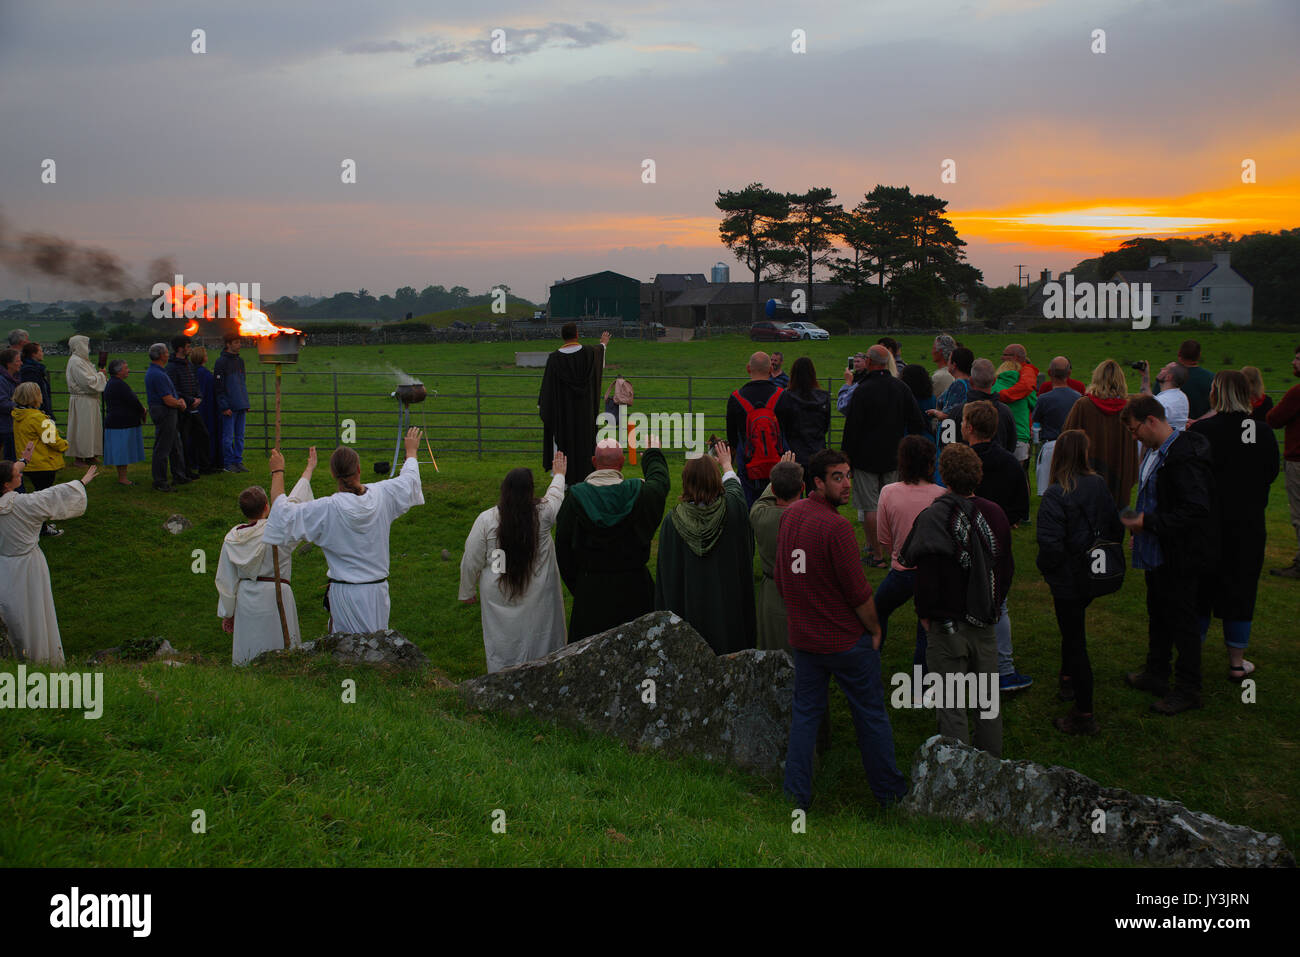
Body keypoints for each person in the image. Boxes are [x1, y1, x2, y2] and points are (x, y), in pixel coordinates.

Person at [775, 449, 908, 811]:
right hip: (845, 642)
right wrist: (875, 629)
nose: (847, 483)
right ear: (817, 482)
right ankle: (889, 793)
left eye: (848, 474)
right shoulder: (837, 528)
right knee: (870, 714)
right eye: (837, 477)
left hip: (805, 638)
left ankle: (796, 794)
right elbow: (859, 592)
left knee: (805, 715)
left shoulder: (791, 517)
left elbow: (784, 575)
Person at [899, 443, 1013, 757]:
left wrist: (925, 614)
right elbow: (1006, 568)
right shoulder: (996, 514)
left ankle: (959, 774)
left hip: (946, 621)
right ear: (978, 475)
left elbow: (927, 573)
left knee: (950, 704)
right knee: (987, 703)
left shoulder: (935, 515)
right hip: (985, 620)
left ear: (944, 476)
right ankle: (991, 765)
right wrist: (995, 602)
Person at [263, 428, 426, 634]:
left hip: (347, 593)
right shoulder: (382, 494)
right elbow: (409, 481)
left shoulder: (327, 508)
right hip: (377, 592)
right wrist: (411, 453)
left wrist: (277, 472)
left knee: (350, 655)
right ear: (359, 469)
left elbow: (283, 515)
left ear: (333, 474)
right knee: (376, 651)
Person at [1120, 395, 1214, 715]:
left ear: (1151, 421)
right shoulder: (1157, 452)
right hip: (1158, 549)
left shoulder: (1183, 457)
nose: (1134, 437)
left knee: (1183, 620)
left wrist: (1149, 523)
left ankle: (1188, 689)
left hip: (1181, 553)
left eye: (1135, 430)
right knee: (1158, 611)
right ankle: (1156, 672)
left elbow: (1195, 510)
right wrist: (1142, 531)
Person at [1190, 372, 1279, 681]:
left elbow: (1193, 477)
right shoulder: (1261, 432)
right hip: (1247, 524)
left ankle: (1193, 656)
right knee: (1241, 589)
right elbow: (1269, 473)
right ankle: (1237, 663)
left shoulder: (1203, 430)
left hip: (1208, 523)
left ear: (1215, 393)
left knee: (1202, 589)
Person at [1036, 430, 1123, 734]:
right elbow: (1114, 526)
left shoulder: (1056, 494)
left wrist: (1048, 570)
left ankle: (1084, 714)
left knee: (1075, 640)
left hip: (1068, 578)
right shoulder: (1097, 484)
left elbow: (1050, 546)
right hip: (1090, 573)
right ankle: (1068, 679)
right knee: (1071, 628)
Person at [459, 454, 568, 673]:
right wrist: (558, 475)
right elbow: (555, 496)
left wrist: (467, 590)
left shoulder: (486, 519)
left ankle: (502, 677)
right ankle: (542, 675)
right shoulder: (543, 513)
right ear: (530, 491)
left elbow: (471, 558)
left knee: (503, 641)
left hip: (499, 593)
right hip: (538, 593)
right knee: (540, 636)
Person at [555, 436, 670, 642]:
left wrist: (581, 586)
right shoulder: (641, 493)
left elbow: (563, 552)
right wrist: (653, 454)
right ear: (622, 462)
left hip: (591, 592)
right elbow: (660, 483)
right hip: (635, 590)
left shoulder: (574, 498)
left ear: (593, 462)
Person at [216, 449, 317, 665]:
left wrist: (228, 612)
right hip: (275, 593)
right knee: (280, 652)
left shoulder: (232, 538)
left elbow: (226, 580)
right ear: (267, 507)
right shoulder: (277, 529)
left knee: (249, 654)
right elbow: (295, 503)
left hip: (246, 598)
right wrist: (308, 469)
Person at [655, 442, 756, 654]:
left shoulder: (671, 522)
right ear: (716, 478)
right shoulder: (733, 510)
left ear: (685, 481)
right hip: (728, 616)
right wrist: (727, 464)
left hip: (686, 615)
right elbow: (735, 491)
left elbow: (666, 577)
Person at [0, 452, 96, 667]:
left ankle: (13, 657)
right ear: (7, 484)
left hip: (3, 566)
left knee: (10, 610)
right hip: (28, 566)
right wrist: (81, 483)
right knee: (34, 611)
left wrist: (23, 462)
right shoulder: (25, 504)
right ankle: (42, 659)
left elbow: (12, 471)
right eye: (17, 474)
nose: (21, 476)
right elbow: (54, 495)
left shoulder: (14, 499)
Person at [962, 400, 1031, 693]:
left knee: (963, 601)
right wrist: (1007, 521)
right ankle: (1003, 668)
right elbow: (1021, 505)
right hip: (998, 541)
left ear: (970, 428)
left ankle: (964, 666)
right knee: (998, 603)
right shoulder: (1010, 463)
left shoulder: (960, 461)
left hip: (963, 539)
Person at [842, 345, 927, 567]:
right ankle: (897, 551)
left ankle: (877, 554)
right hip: (894, 455)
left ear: (869, 362)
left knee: (870, 506)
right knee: (893, 504)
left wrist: (847, 456)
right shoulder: (901, 388)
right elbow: (918, 422)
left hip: (865, 456)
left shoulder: (862, 389)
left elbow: (852, 427)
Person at [874, 435, 944, 670]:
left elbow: (883, 539)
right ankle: (922, 682)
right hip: (933, 574)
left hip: (902, 571)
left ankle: (871, 661)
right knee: (926, 627)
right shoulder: (943, 496)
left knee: (877, 611)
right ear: (930, 463)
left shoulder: (888, 492)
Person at [539, 323, 610, 485]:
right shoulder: (589, 353)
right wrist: (604, 343)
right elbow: (599, 353)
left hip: (563, 417)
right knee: (585, 445)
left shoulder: (554, 359)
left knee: (564, 445)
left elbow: (547, 392)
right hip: (585, 415)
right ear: (577, 334)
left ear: (562, 336)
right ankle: (587, 479)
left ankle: (562, 481)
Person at [1063, 359, 1138, 508]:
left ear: (1096, 378)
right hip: (1118, 477)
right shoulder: (1130, 408)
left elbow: (1067, 439)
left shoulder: (1083, 405)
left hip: (1087, 475)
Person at [749, 455, 802, 652]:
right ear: (802, 487)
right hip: (802, 591)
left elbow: (763, 500)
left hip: (772, 590)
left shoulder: (759, 515)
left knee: (770, 651)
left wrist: (777, 475)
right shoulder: (812, 521)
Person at [726, 351, 787, 507]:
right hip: (779, 463)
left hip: (748, 463)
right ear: (770, 370)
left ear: (748, 369)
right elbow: (789, 430)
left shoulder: (736, 398)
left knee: (749, 508)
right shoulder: (782, 396)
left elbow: (732, 436)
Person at [12, 382, 68, 537]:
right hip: (44, 463)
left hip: (29, 462)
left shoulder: (19, 415)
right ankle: (42, 528)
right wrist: (65, 445)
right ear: (34, 397)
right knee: (43, 498)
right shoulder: (39, 418)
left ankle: (39, 524)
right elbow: (52, 440)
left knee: (37, 494)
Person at [1266, 345, 1300, 579]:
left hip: (1298, 459)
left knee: (1299, 514)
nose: (1293, 362)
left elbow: (1274, 419)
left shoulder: (1296, 393)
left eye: (1298, 358)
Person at [943, 358, 1016, 453]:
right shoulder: (1005, 412)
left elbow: (945, 443)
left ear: (971, 381)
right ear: (994, 381)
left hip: (963, 465)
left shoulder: (955, 412)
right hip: (997, 465)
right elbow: (1011, 445)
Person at [774, 356, 829, 478]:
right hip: (817, 452)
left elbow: (781, 425)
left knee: (793, 492)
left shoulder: (786, 397)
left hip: (793, 453)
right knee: (815, 492)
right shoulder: (823, 397)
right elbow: (825, 426)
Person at [1035, 357, 1083, 496]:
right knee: (1071, 488)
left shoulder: (1044, 399)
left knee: (1048, 491)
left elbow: (1036, 422)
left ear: (1050, 373)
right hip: (1073, 446)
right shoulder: (1078, 398)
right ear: (1069, 373)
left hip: (1051, 446)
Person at [145, 342, 189, 491]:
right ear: (160, 356)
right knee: (163, 447)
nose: (168, 354)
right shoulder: (157, 374)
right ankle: (160, 481)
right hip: (164, 412)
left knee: (175, 445)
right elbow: (167, 399)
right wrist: (180, 404)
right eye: (165, 352)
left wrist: (177, 401)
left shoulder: (158, 372)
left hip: (166, 410)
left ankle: (179, 475)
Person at [167, 335, 207, 480]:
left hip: (194, 408)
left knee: (202, 435)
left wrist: (199, 397)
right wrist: (190, 400)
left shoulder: (188, 364)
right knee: (183, 441)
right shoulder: (171, 367)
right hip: (182, 410)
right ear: (180, 348)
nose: (190, 349)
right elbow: (173, 388)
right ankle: (184, 471)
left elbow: (195, 383)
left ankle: (200, 466)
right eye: (188, 346)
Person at [993, 344, 1039, 469]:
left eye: (1005, 355)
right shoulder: (1020, 375)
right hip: (1021, 436)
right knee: (1020, 479)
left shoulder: (1026, 371)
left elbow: (1026, 386)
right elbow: (1035, 404)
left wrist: (1001, 396)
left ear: (1015, 357)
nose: (1002, 358)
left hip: (998, 435)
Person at [64, 335, 107, 466]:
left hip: (89, 400)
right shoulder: (76, 362)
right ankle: (79, 457)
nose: (88, 348)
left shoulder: (83, 361)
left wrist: (99, 375)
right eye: (86, 345)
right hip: (83, 401)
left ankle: (90, 455)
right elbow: (87, 383)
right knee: (82, 429)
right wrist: (101, 375)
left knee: (91, 429)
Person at [102, 359, 146, 485]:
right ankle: (123, 478)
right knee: (122, 452)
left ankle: (122, 477)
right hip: (121, 424)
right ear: (119, 371)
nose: (128, 370)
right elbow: (133, 400)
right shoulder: (119, 385)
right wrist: (142, 410)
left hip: (116, 422)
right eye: (126, 368)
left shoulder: (112, 383)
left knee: (121, 451)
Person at [214, 333, 251, 473]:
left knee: (240, 436)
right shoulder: (221, 362)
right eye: (236, 342)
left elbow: (242, 382)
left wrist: (245, 403)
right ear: (228, 344)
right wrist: (224, 406)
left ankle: (238, 461)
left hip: (241, 405)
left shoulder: (240, 361)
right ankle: (228, 463)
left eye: (239, 342)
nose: (239, 345)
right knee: (228, 437)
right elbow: (219, 386)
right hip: (229, 407)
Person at [191, 346, 223, 473]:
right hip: (207, 408)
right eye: (205, 354)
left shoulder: (193, 371)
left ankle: (197, 461)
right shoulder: (204, 373)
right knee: (208, 435)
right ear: (202, 357)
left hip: (199, 408)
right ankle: (208, 462)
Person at [1140, 360, 1189, 432]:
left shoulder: (1164, 401)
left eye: (1165, 369)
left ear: (1168, 377)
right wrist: (1145, 376)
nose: (1161, 369)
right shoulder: (1182, 396)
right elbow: (1148, 399)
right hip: (1178, 440)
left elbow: (1146, 402)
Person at [1177, 339, 1215, 421]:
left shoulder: (1167, 377)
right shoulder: (1211, 378)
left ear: (1179, 354)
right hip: (1204, 428)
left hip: (1172, 430)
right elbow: (1218, 408)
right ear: (1199, 355)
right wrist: (1196, 422)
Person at [18, 341, 52, 417]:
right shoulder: (30, 371)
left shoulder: (36, 369)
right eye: (40, 351)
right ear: (33, 354)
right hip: (37, 411)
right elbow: (32, 393)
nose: (42, 353)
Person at [0, 348, 20, 461]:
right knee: (9, 460)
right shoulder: (2, 380)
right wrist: (21, 407)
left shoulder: (13, 378)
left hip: (10, 425)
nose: (21, 363)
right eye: (17, 361)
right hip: (5, 426)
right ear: (9, 364)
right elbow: (2, 403)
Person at [930, 334, 957, 398]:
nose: (932, 352)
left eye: (933, 348)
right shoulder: (956, 373)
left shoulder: (938, 377)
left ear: (940, 351)